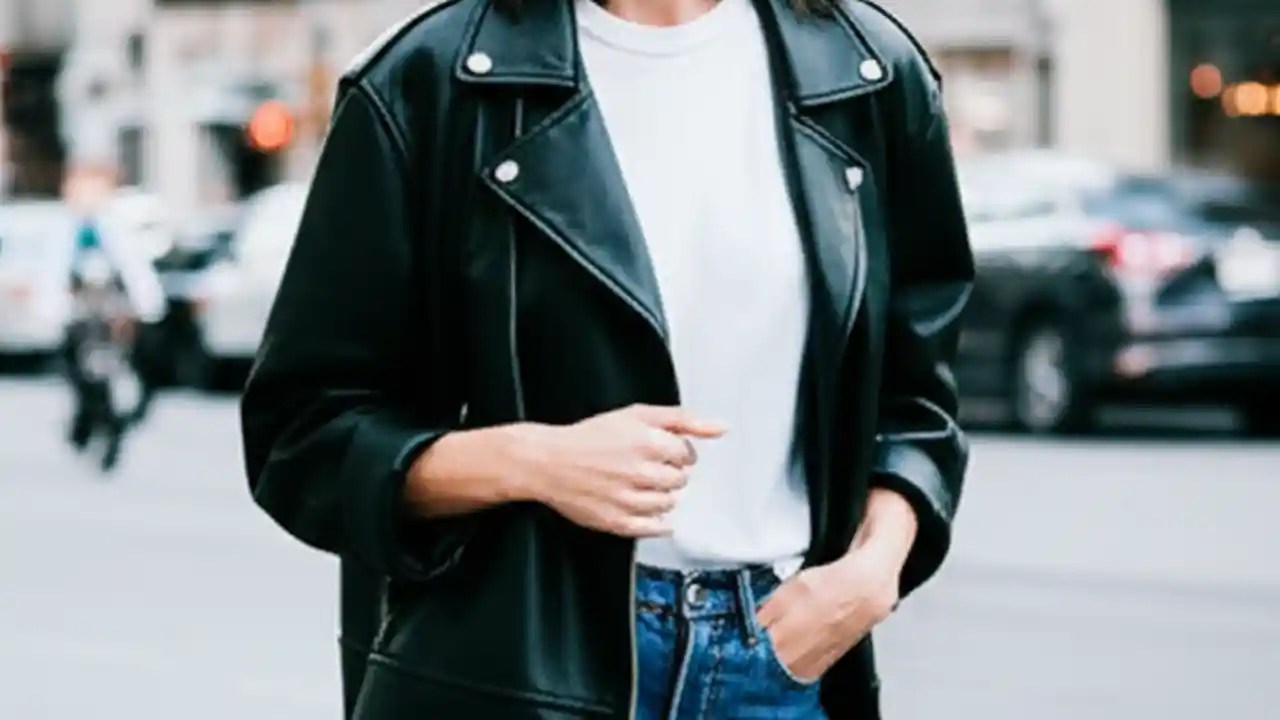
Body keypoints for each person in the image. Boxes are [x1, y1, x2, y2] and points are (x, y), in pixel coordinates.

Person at [241, 0, 973, 717]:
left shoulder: (868, 69)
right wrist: (532, 461)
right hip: (515, 670)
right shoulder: (432, 78)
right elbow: (302, 433)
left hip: (783, 660)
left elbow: (916, 405)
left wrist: (872, 573)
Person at [62, 163, 167, 467]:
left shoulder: (114, 225)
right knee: (78, 371)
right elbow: (55, 270)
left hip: (109, 312)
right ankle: (86, 422)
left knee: (108, 371)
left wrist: (145, 306)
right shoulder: (72, 227)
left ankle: (109, 424)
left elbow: (135, 269)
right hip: (80, 312)